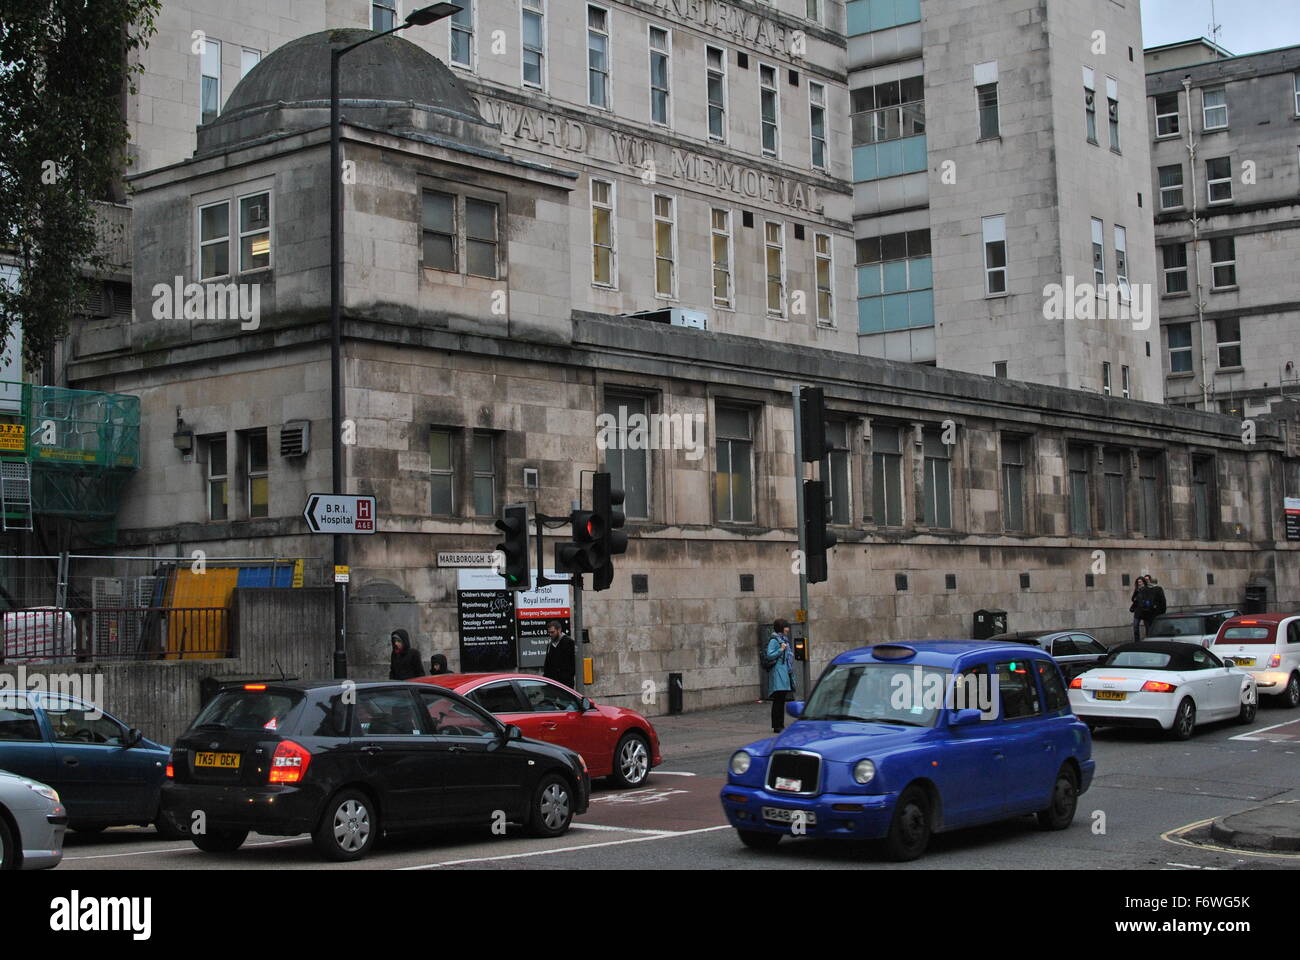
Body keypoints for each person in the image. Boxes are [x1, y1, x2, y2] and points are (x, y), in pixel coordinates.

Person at [763, 618, 797, 734]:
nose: (788, 629)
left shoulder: (783, 639)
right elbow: (769, 655)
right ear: (782, 628)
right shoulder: (775, 640)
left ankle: (780, 724)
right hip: (778, 672)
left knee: (781, 699)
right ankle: (777, 725)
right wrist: (781, 649)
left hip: (784, 672)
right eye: (786, 627)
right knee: (778, 699)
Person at [542, 620, 576, 689]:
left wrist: (567, 677)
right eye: (549, 632)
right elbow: (547, 665)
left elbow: (573, 663)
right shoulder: (550, 645)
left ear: (559, 630)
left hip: (565, 683)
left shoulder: (568, 642)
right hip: (552, 684)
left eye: (552, 632)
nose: (550, 635)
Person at [1129, 575, 1149, 641]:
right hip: (1138, 611)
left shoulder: (1147, 589)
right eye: (1138, 582)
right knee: (1135, 626)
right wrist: (1135, 598)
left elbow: (1148, 599)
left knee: (1147, 627)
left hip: (1145, 611)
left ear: (1143, 582)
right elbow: (1132, 598)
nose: (1139, 583)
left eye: (1140, 582)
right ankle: (1137, 641)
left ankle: (1148, 639)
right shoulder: (1137, 590)